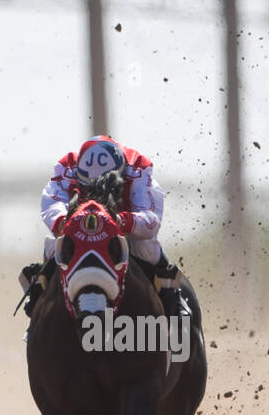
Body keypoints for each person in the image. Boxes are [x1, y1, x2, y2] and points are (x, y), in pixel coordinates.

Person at [18, 135, 181, 319]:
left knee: (147, 248)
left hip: (122, 233)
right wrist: (64, 221)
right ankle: (37, 298)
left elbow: (151, 219)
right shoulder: (67, 167)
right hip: (78, 230)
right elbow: (52, 203)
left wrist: (119, 221)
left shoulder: (138, 168)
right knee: (52, 247)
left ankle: (174, 303)